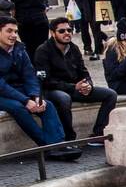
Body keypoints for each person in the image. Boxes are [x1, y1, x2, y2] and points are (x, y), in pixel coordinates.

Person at [0, 14, 78, 158]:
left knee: (46, 105)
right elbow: (2, 86)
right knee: (18, 108)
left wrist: (35, 96)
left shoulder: (19, 49)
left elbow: (29, 75)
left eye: (16, 32)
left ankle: (58, 144)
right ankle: (48, 147)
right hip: (3, 94)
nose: (13, 35)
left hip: (20, 90)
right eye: (9, 31)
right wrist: (25, 100)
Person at [33, 16, 118, 147]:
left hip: (75, 88)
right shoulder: (43, 51)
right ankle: (69, 139)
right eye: (62, 31)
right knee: (64, 99)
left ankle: (98, 134)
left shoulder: (74, 48)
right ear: (52, 33)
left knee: (110, 94)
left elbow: (83, 72)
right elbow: (45, 81)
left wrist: (87, 84)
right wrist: (73, 87)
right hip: (53, 90)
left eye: (69, 30)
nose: (67, 33)